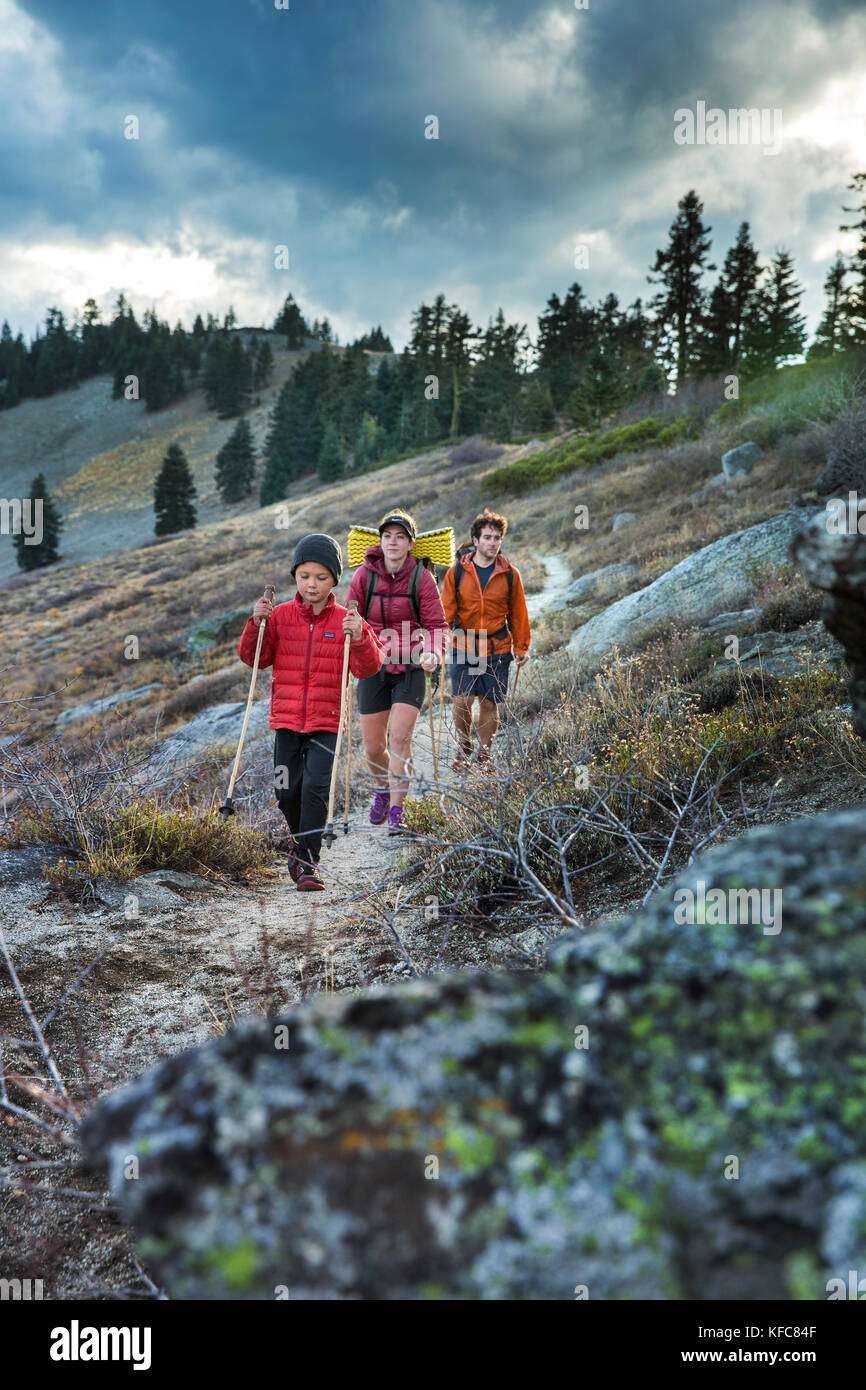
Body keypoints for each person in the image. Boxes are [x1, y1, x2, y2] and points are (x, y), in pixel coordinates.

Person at [238, 533, 384, 891]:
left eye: (320, 577)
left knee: (316, 789)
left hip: (326, 721)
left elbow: (370, 667)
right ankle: (298, 841)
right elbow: (254, 658)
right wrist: (255, 624)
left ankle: (308, 861)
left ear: (334, 579)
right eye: (304, 576)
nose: (312, 584)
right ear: (295, 578)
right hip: (287, 721)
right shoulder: (281, 616)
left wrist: (361, 635)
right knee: (287, 791)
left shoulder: (345, 619)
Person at [346, 508, 449, 833]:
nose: (393, 542)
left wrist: (433, 651)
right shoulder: (365, 576)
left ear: (410, 543)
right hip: (372, 664)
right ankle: (382, 786)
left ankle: (397, 812)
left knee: (400, 739)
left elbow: (437, 625)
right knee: (373, 747)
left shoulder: (422, 577)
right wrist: (350, 637)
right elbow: (349, 616)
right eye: (387, 536)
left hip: (412, 666)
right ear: (380, 540)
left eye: (400, 537)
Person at [441, 508, 530, 770]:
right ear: (476, 540)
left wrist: (521, 646)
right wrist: (441, 633)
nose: (493, 543)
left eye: (497, 538)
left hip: (497, 645)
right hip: (466, 642)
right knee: (461, 701)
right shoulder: (457, 571)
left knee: (489, 703)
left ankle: (485, 753)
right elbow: (446, 608)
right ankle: (464, 742)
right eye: (488, 537)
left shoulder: (510, 574)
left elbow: (519, 613)